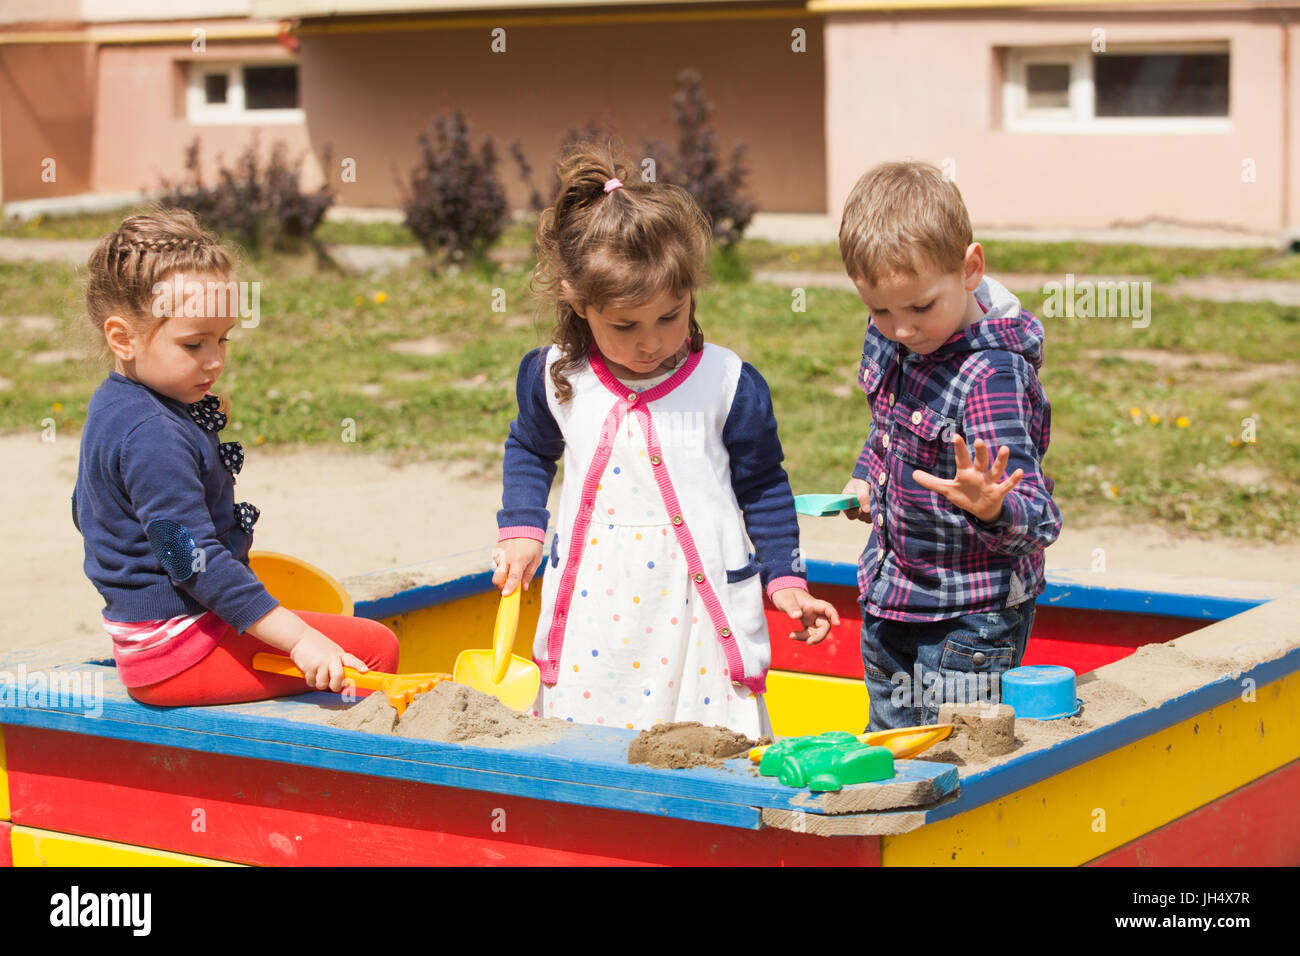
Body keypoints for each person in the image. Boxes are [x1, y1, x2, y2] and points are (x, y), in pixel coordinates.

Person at [492, 143, 839, 738]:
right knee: (589, 736)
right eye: (624, 326)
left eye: (670, 316)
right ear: (580, 304)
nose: (650, 342)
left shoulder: (727, 383)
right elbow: (529, 447)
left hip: (694, 609)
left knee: (707, 743)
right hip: (596, 602)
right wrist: (522, 526)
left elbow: (763, 486)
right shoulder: (557, 377)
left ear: (692, 294)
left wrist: (784, 580)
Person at [73, 207, 398, 707]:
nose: (215, 360)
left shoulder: (117, 404)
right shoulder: (152, 434)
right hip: (178, 648)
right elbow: (192, 561)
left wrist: (191, 421)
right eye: (193, 343)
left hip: (145, 635)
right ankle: (321, 778)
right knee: (373, 649)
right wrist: (300, 640)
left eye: (222, 338)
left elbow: (87, 506)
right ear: (123, 337)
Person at [837, 161, 1062, 731]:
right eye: (880, 310)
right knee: (891, 752)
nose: (902, 329)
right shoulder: (897, 338)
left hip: (971, 616)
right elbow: (888, 426)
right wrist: (867, 475)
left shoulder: (991, 376)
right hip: (892, 596)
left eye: (918, 307)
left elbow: (1038, 520)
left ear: (970, 268)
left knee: (953, 759)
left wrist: (992, 505)